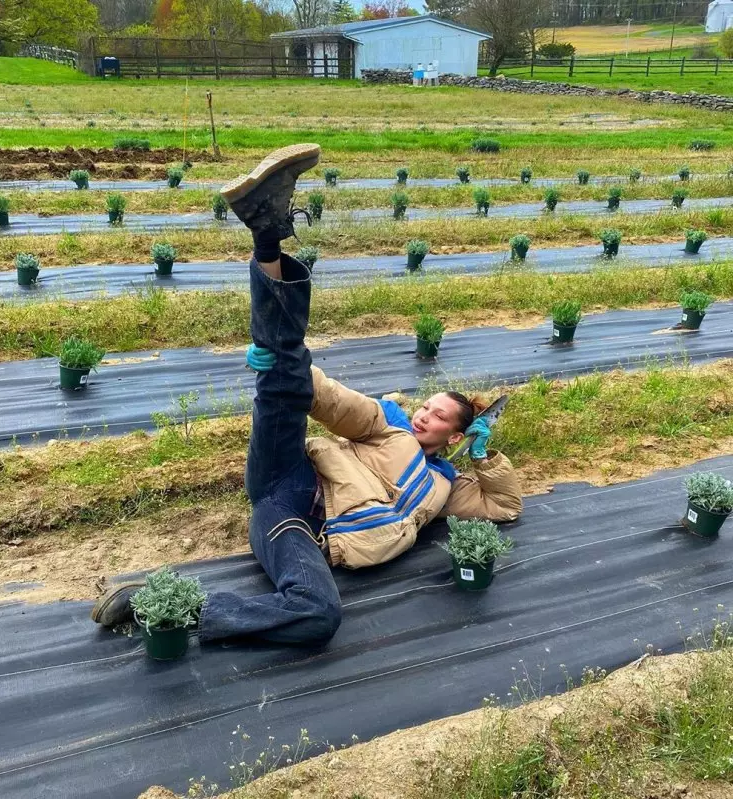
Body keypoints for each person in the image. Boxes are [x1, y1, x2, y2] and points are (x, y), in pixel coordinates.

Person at [91, 144, 523, 644]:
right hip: (292, 483)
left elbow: (506, 506)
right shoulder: (390, 423)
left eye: (440, 416)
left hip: (301, 531)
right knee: (289, 370)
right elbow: (336, 402)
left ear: (455, 436)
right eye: (427, 406)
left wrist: (485, 454)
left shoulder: (447, 488)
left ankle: (155, 603)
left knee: (319, 615)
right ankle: (267, 236)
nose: (425, 415)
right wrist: (287, 369)